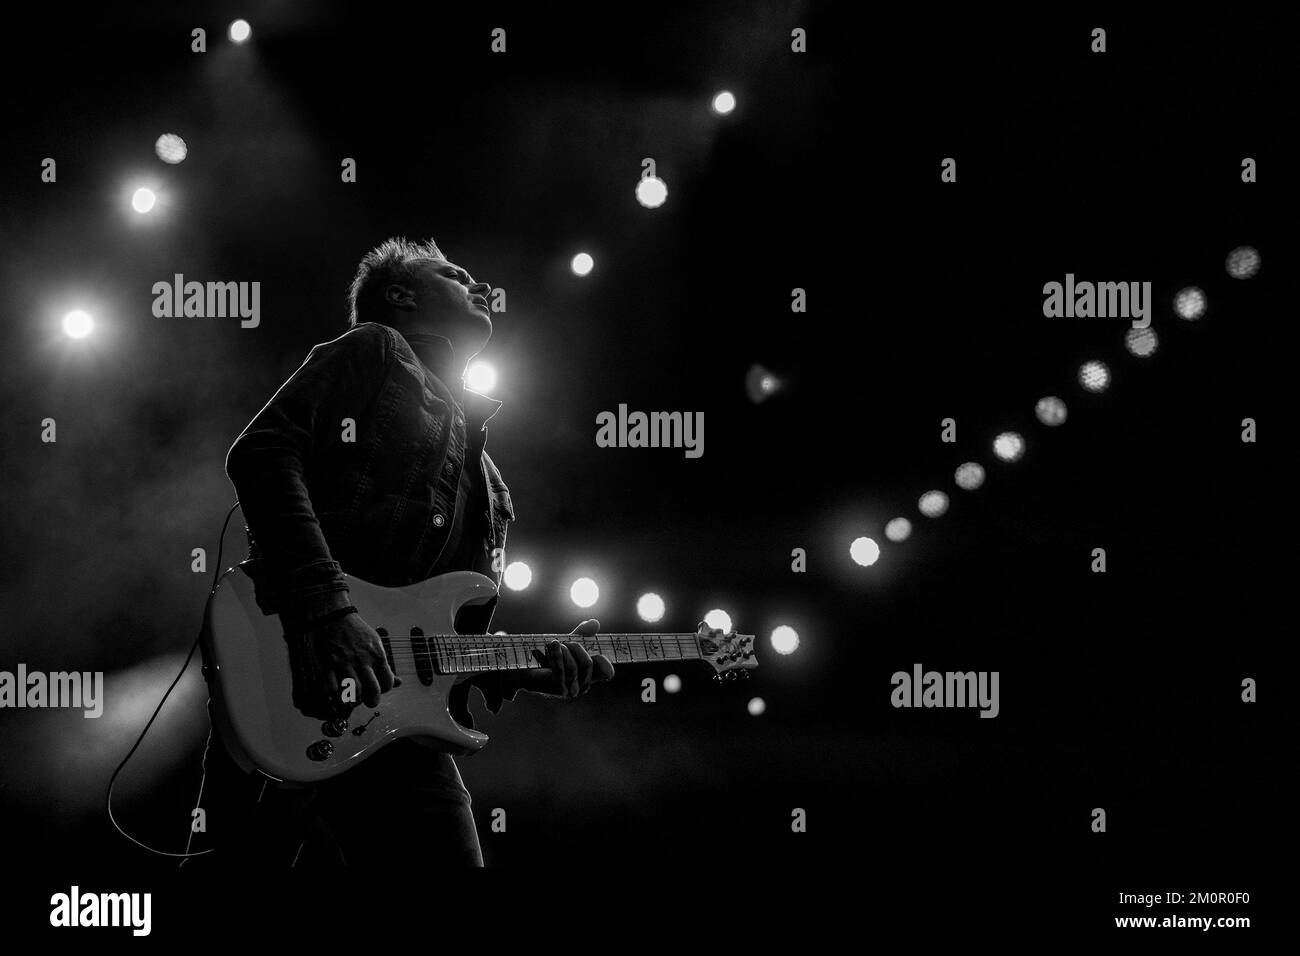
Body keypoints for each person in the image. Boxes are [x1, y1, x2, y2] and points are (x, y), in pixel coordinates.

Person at [198, 236, 614, 869]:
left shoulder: (492, 483)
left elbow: (443, 637)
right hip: (299, 669)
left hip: (405, 731)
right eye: (456, 273)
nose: (478, 286)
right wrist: (330, 614)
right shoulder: (379, 350)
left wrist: (523, 670)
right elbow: (261, 453)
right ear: (401, 296)